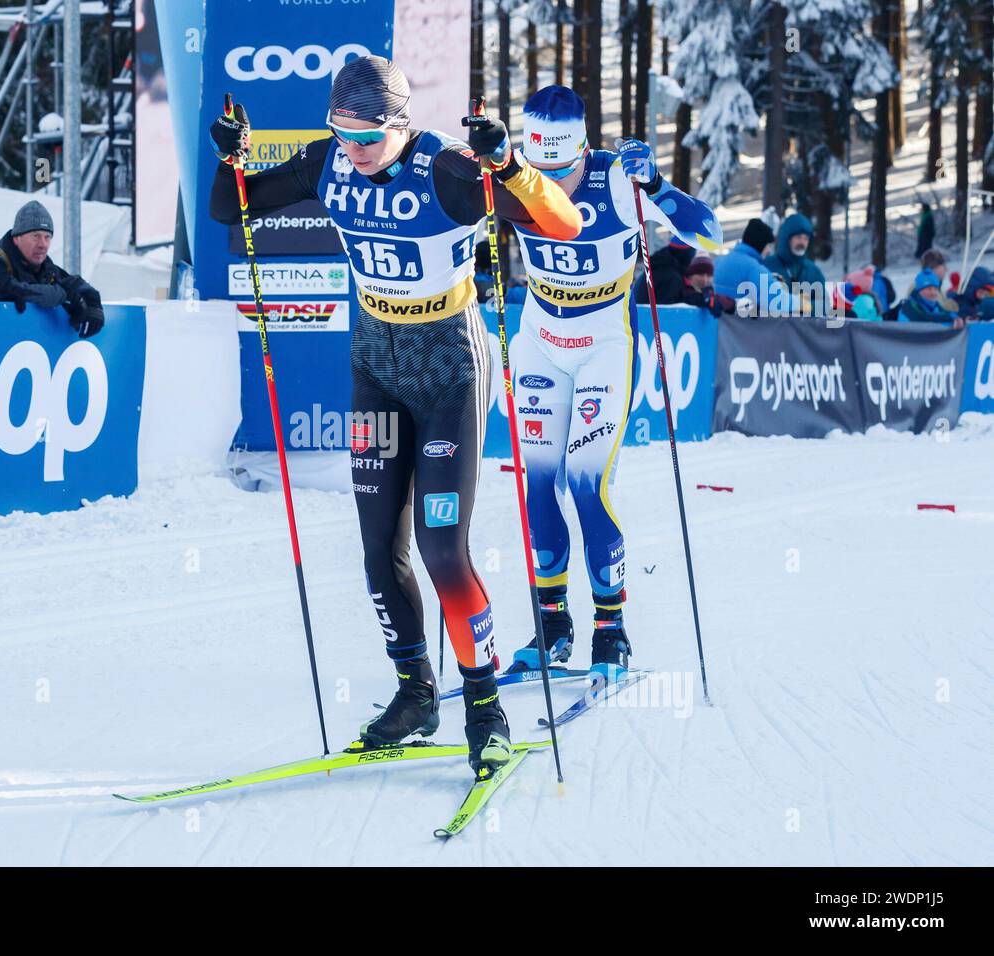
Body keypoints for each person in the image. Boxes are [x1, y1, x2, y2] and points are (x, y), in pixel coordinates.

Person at [208, 56, 582, 777]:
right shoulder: (327, 163)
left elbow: (560, 225)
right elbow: (235, 207)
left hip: (449, 368)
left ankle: (485, 707)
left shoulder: (445, 169)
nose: (352, 146)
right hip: (376, 366)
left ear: (399, 123)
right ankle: (415, 694)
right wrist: (231, 158)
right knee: (379, 550)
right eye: (340, 129)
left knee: (443, 549)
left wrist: (506, 166)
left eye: (367, 134)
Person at [501, 84, 721, 683]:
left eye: (563, 170)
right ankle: (551, 628)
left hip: (603, 349)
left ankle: (610, 628)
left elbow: (709, 234)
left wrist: (655, 185)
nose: (551, 187)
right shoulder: (514, 177)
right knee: (539, 485)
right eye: (540, 170)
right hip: (540, 344)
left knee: (585, 484)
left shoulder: (617, 182)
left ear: (584, 151)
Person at [0, 201, 106, 337]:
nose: (43, 245)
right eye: (35, 236)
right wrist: (63, 295)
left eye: (47, 237)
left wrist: (92, 300)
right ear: (16, 238)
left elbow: (72, 283)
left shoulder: (46, 269)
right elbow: (14, 291)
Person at [713, 219, 795, 317]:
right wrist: (802, 303)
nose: (769, 251)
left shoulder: (718, 261)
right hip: (743, 329)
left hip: (717, 328)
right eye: (767, 245)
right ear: (759, 244)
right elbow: (777, 302)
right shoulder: (754, 269)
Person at [765, 213, 828, 314]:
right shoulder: (768, 265)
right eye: (798, 237)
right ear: (787, 239)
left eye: (806, 239)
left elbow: (824, 305)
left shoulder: (813, 271)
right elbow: (757, 300)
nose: (802, 243)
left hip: (802, 329)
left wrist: (805, 306)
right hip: (772, 328)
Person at [919, 248, 960, 314]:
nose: (946, 269)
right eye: (943, 266)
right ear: (934, 267)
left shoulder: (937, 287)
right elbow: (936, 313)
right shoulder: (922, 288)